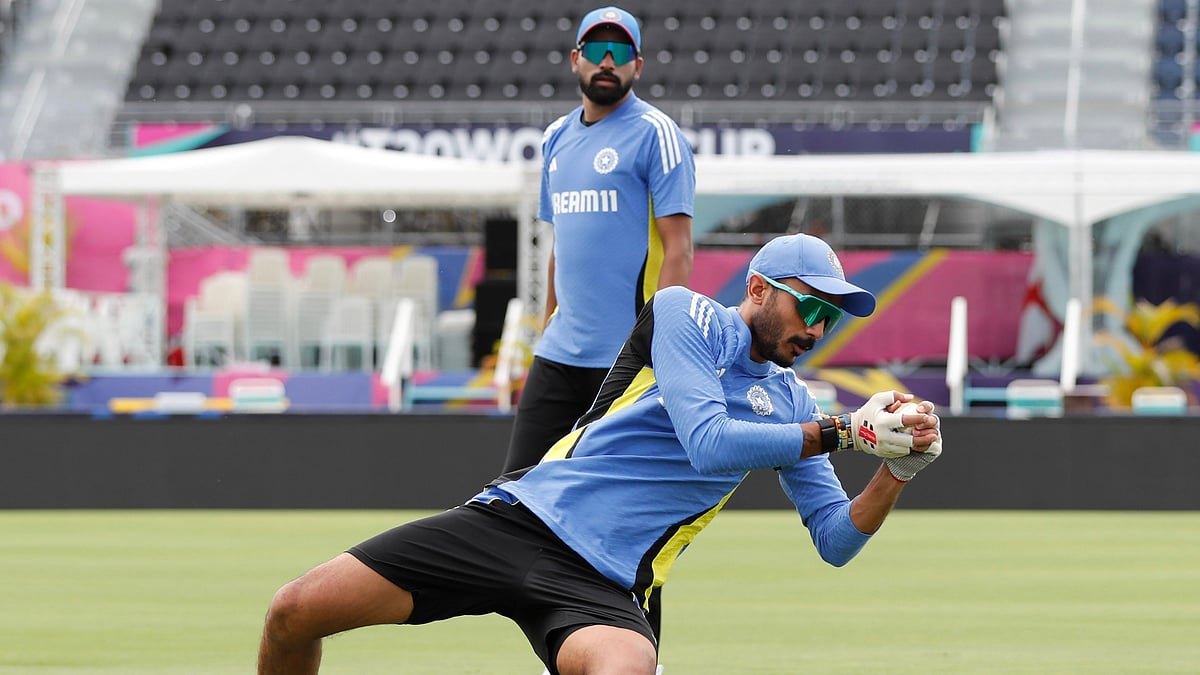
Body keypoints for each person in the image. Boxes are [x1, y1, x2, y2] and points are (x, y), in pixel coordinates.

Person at [256, 233, 945, 675]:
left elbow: (834, 539)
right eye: (810, 307)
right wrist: (844, 433)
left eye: (833, 316)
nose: (819, 327)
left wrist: (893, 471)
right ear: (758, 288)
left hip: (606, 583)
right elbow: (707, 442)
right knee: (294, 611)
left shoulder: (795, 402)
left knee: (626, 669)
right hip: (516, 519)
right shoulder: (688, 314)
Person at [502, 5, 696, 475]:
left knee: (608, 496)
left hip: (625, 360)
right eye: (595, 48)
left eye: (620, 50)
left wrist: (659, 344)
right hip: (557, 354)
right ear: (576, 59)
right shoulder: (554, 139)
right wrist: (549, 323)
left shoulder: (658, 135)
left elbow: (679, 248)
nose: (606, 59)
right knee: (513, 488)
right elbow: (559, 245)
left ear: (638, 65)